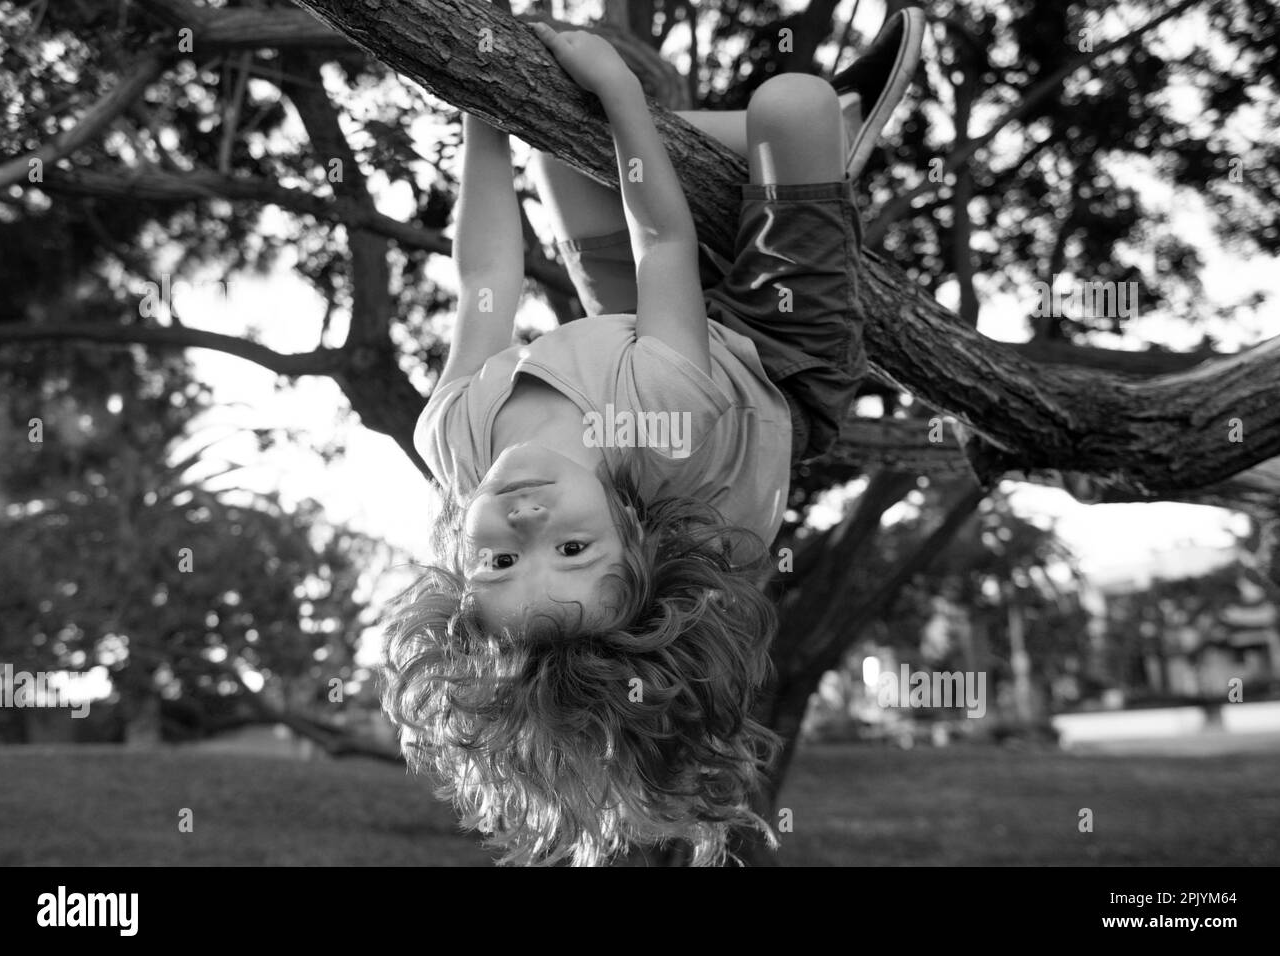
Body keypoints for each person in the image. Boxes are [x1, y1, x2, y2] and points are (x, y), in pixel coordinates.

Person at [382, 9, 925, 866]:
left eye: (498, 564)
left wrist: (478, 111)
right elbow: (661, 236)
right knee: (792, 103)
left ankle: (775, 162)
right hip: (777, 357)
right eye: (571, 547)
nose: (524, 527)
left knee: (558, 136)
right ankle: (821, 145)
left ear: (459, 570)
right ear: (636, 532)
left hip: (638, 326)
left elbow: (486, 277)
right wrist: (624, 92)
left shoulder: (454, 437)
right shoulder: (656, 425)